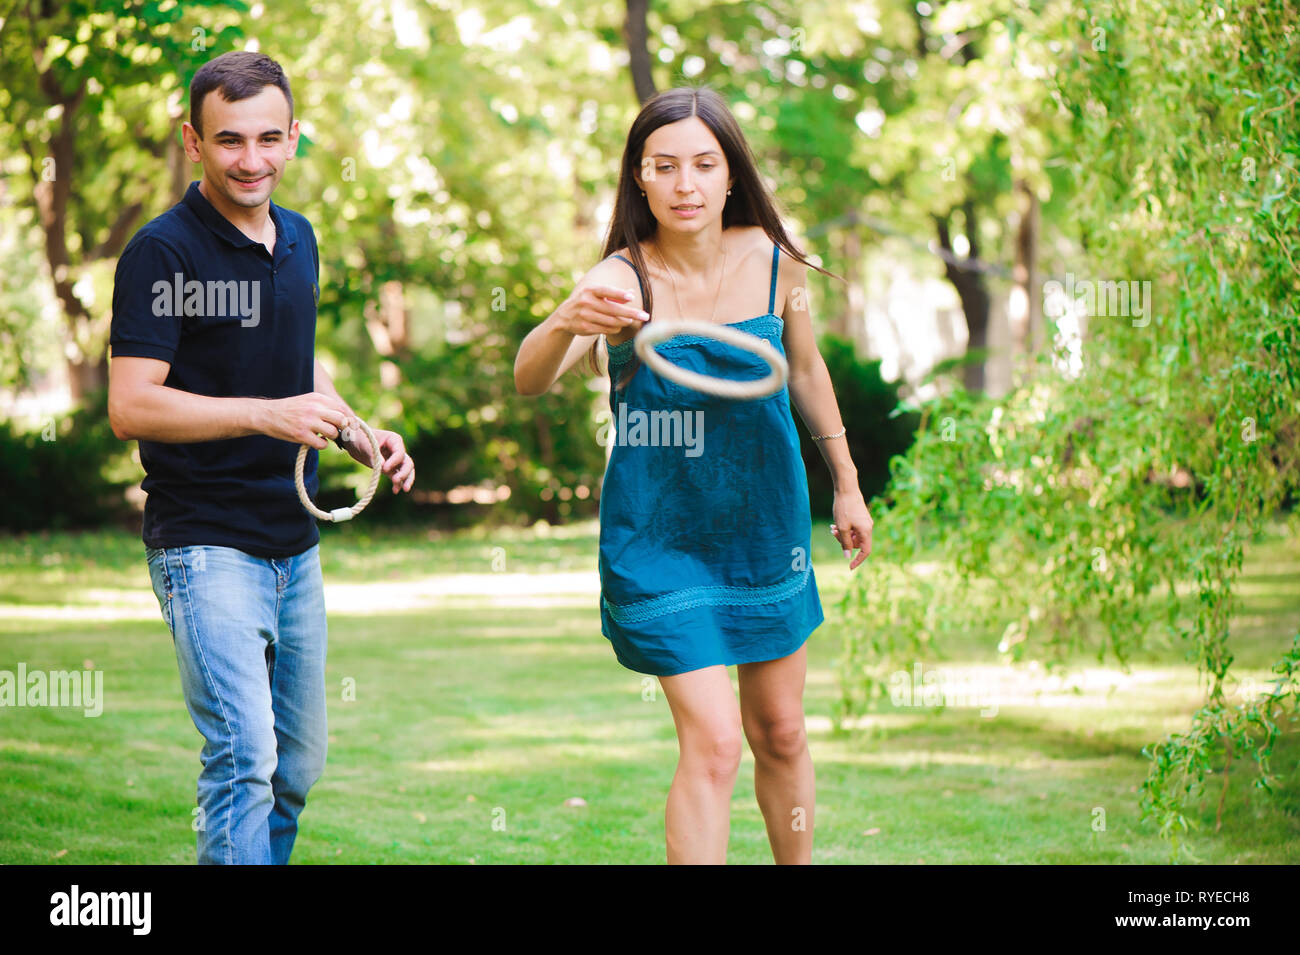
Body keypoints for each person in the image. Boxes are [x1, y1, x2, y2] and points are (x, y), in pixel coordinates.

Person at [514, 86, 874, 864]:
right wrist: (566, 318)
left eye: (704, 164)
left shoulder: (779, 265)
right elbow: (529, 379)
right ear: (638, 177)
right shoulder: (617, 278)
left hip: (764, 528)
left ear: (731, 175)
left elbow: (807, 370)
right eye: (665, 166)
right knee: (714, 742)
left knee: (780, 731)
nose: (686, 184)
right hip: (660, 539)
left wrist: (845, 480)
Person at [107, 51, 415, 864]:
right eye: (230, 140)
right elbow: (130, 403)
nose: (252, 160)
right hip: (204, 542)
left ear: (295, 139)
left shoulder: (299, 239)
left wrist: (355, 428)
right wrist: (265, 415)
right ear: (194, 142)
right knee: (245, 758)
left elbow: (295, 363)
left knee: (297, 763)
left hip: (294, 545)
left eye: (269, 139)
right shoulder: (161, 252)